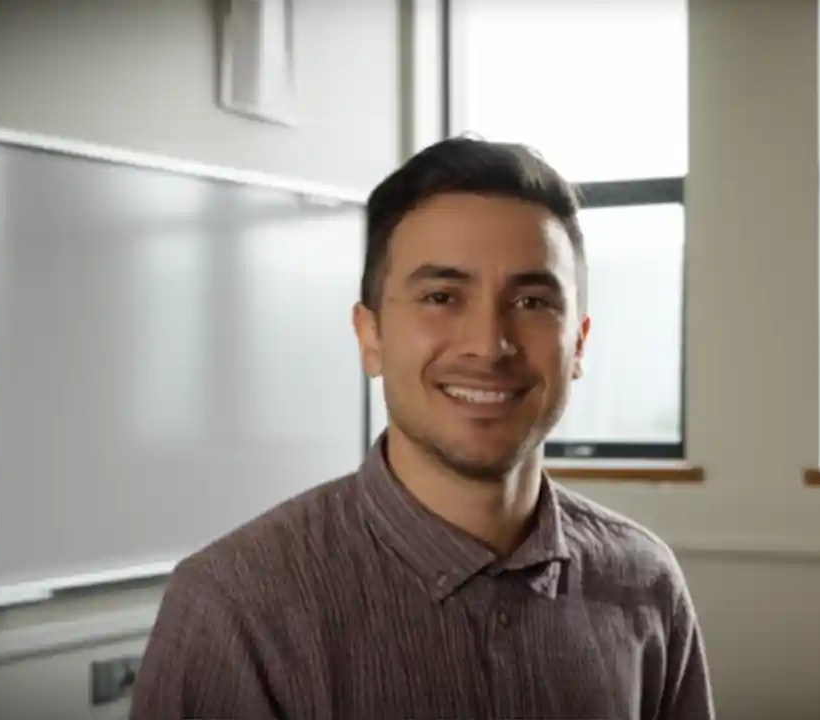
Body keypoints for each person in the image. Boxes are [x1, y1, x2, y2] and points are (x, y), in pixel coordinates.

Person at [129, 137, 714, 720]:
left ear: (578, 344)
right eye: (441, 296)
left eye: (533, 301)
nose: (489, 345)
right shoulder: (236, 608)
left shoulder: (646, 584)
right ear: (371, 337)